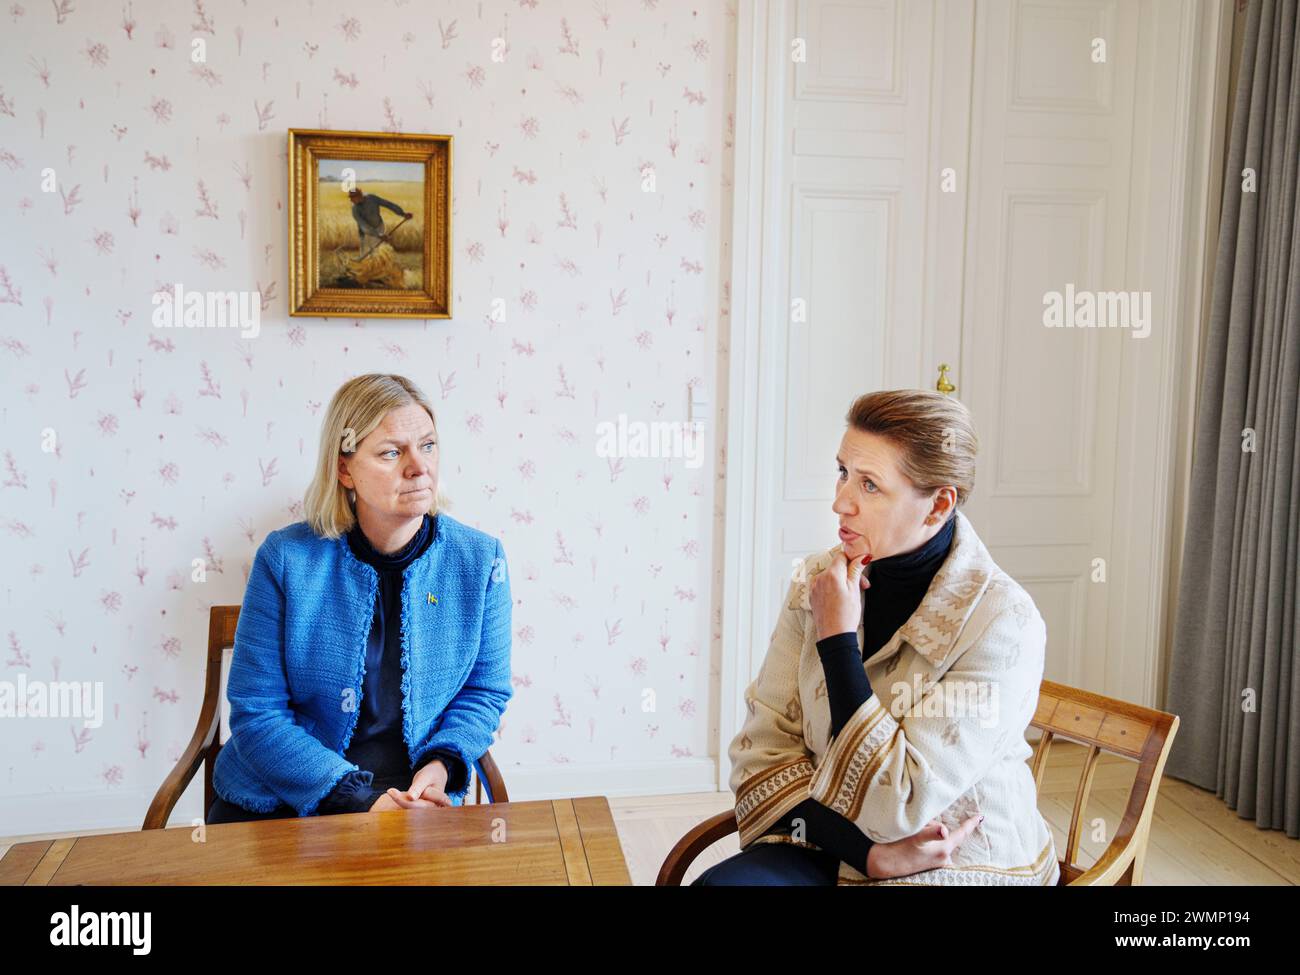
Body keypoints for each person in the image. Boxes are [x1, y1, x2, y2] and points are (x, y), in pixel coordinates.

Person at [696, 389, 1059, 885]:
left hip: (952, 855)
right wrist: (867, 855)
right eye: (843, 472)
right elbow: (759, 754)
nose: (840, 502)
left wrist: (838, 641)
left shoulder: (1003, 622)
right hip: (828, 834)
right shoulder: (819, 578)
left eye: (870, 485)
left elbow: (898, 804)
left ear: (938, 506)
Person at [207, 373, 512, 824]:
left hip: (412, 797)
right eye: (392, 452)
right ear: (344, 468)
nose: (418, 466)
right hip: (282, 795)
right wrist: (358, 798)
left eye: (427, 446)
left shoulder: (480, 561)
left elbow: (484, 692)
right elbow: (258, 714)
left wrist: (443, 763)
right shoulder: (286, 559)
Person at [348, 187, 412, 256]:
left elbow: (388, 204)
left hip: (379, 227)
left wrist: (402, 213)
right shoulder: (355, 209)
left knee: (378, 252)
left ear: (359, 196)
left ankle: (379, 265)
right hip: (365, 233)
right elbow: (363, 225)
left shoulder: (372, 198)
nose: (351, 200)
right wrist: (378, 235)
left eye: (352, 197)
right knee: (365, 254)